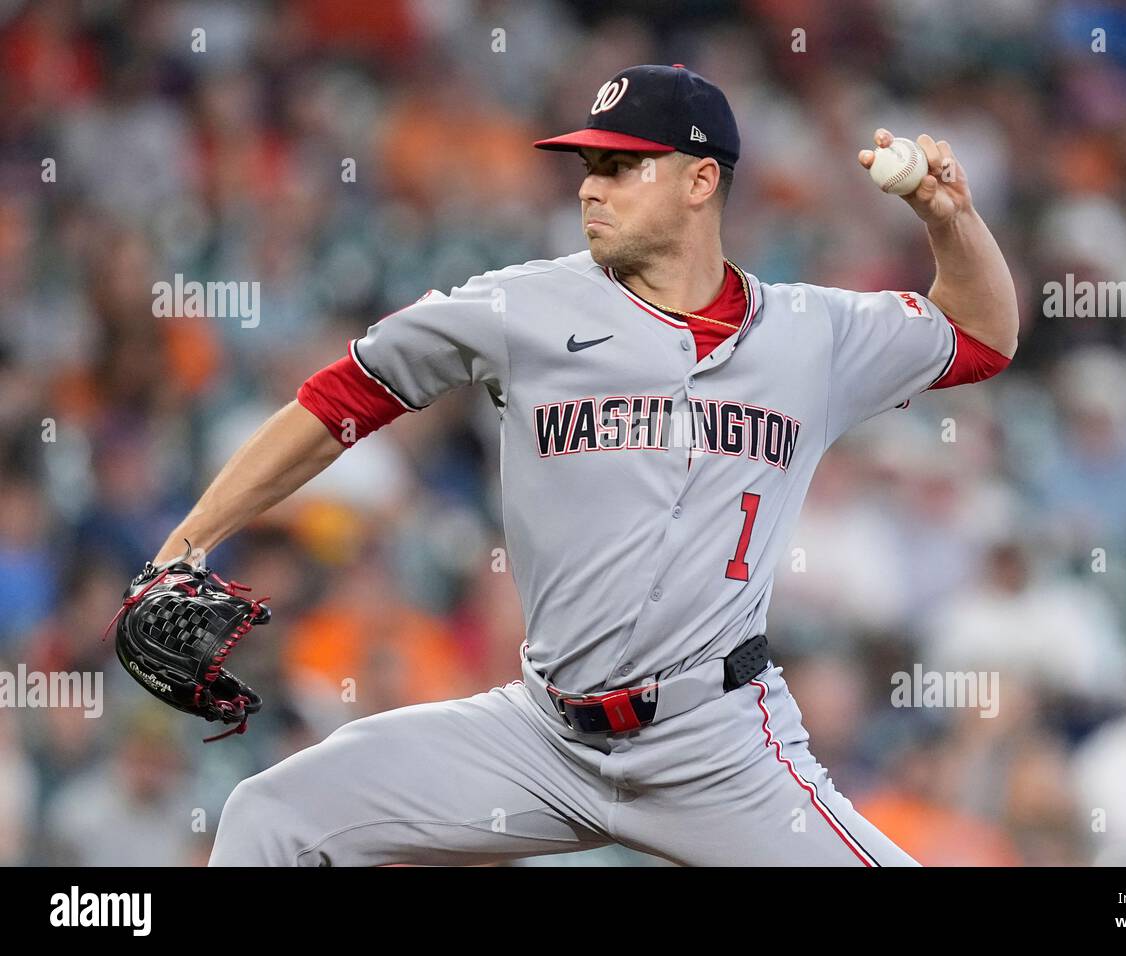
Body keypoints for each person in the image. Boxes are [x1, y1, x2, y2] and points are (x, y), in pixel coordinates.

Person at [155, 64, 1017, 866]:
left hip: (717, 746)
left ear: (700, 179)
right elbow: (342, 397)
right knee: (272, 814)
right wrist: (187, 544)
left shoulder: (813, 334)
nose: (590, 187)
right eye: (588, 165)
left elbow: (984, 336)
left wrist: (950, 218)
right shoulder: (519, 306)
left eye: (622, 164)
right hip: (539, 737)